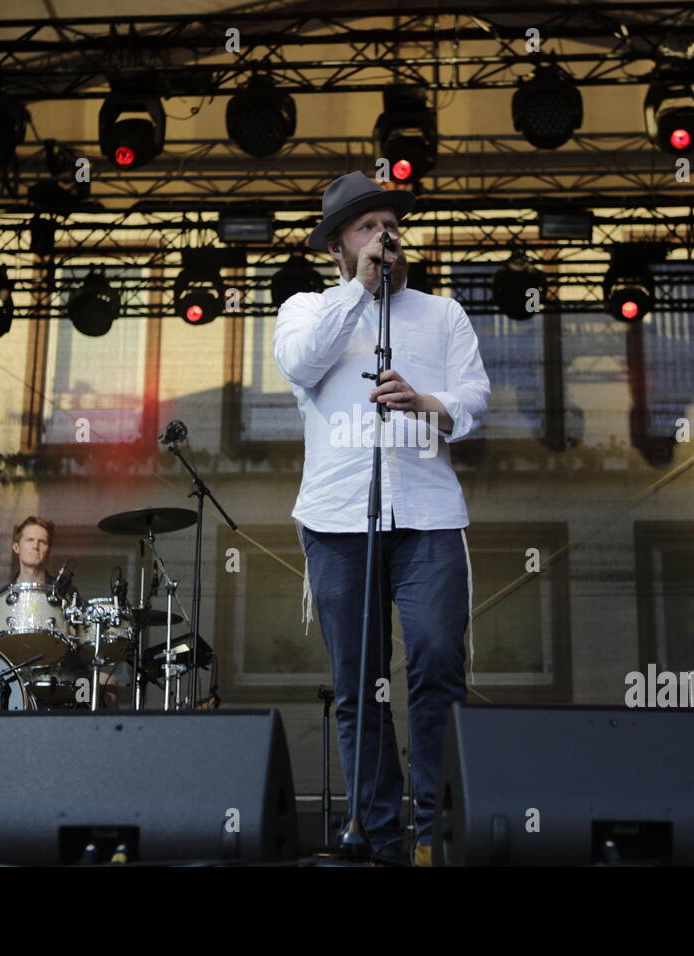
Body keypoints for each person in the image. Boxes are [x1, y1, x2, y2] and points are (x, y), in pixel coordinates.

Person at [274, 171, 491, 866]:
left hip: (427, 514)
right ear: (337, 246)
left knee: (434, 659)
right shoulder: (308, 309)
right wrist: (359, 292)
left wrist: (426, 401)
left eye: (389, 226)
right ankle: (376, 833)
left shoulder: (441, 314)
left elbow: (476, 400)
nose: (383, 237)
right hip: (339, 517)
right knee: (359, 681)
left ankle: (434, 830)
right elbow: (300, 364)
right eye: (366, 228)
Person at [0, 516, 118, 709]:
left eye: (42, 541)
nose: (36, 546)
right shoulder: (3, 598)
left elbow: (81, 639)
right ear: (16, 547)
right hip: (20, 675)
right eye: (30, 540)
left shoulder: (66, 592)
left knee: (106, 685)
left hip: (63, 673)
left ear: (48, 549)